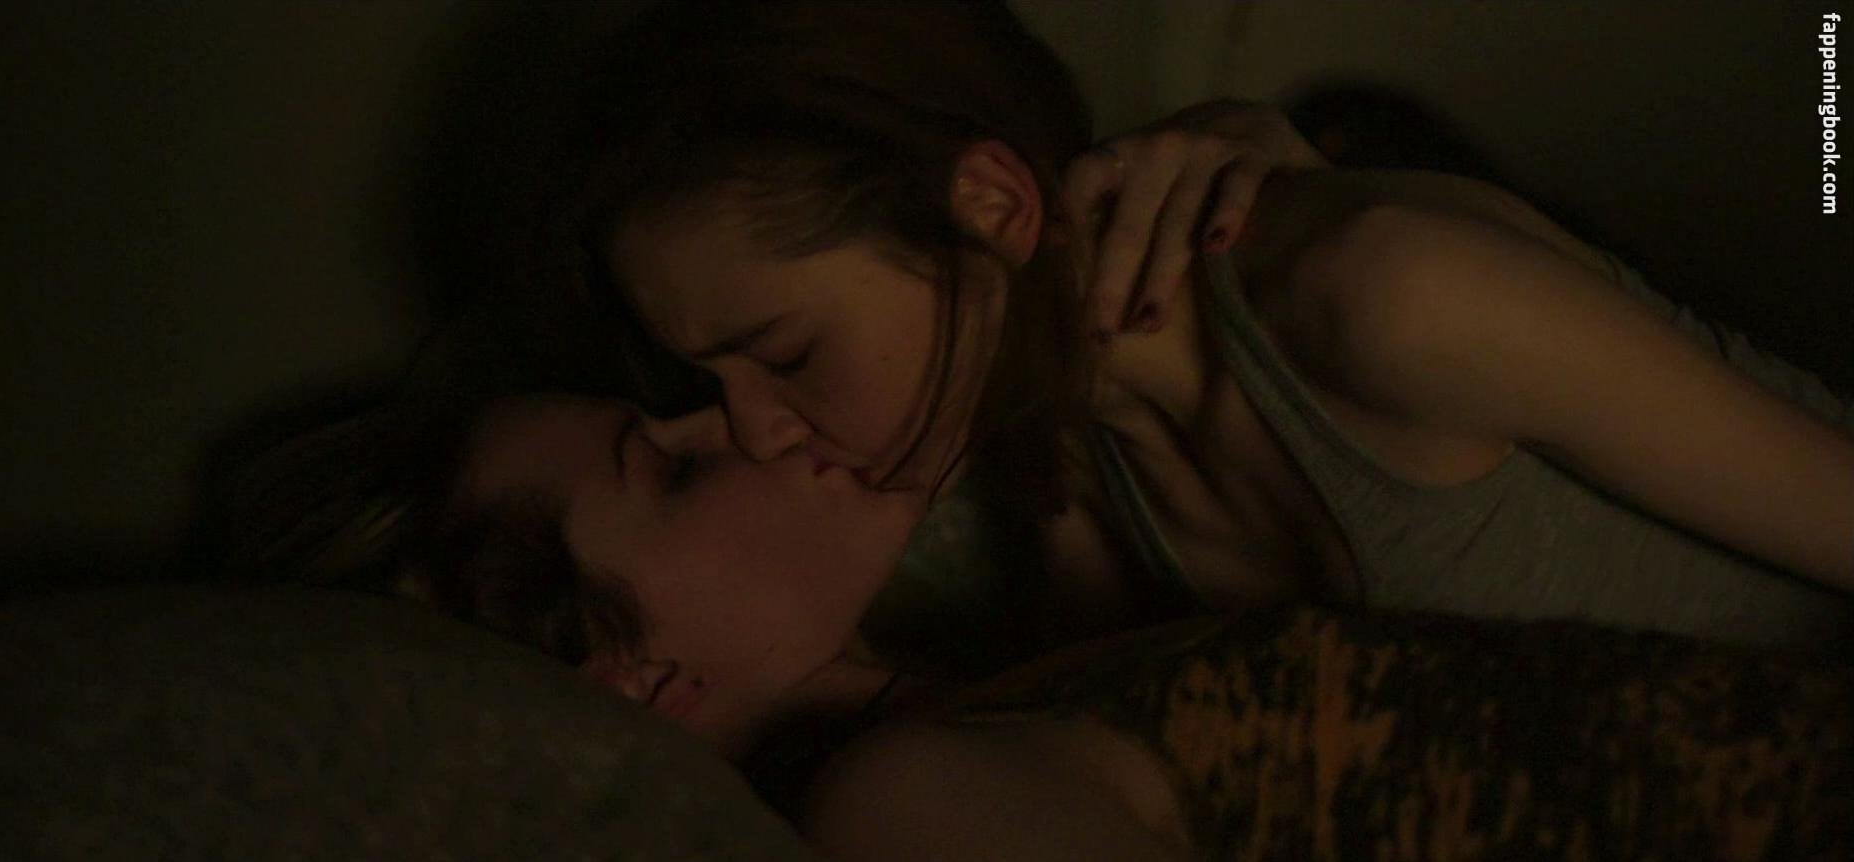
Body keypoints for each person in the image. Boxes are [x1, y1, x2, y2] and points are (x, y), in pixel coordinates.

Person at [543, 0, 1854, 657]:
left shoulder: (1387, 298)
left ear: (992, 206)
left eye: (783, 354)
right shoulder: (1029, 455)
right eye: (712, 379)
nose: (755, 428)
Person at [391, 390, 1852, 862]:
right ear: (640, 679)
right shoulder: (899, 801)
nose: (749, 417)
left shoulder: (979, 697)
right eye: (669, 467)